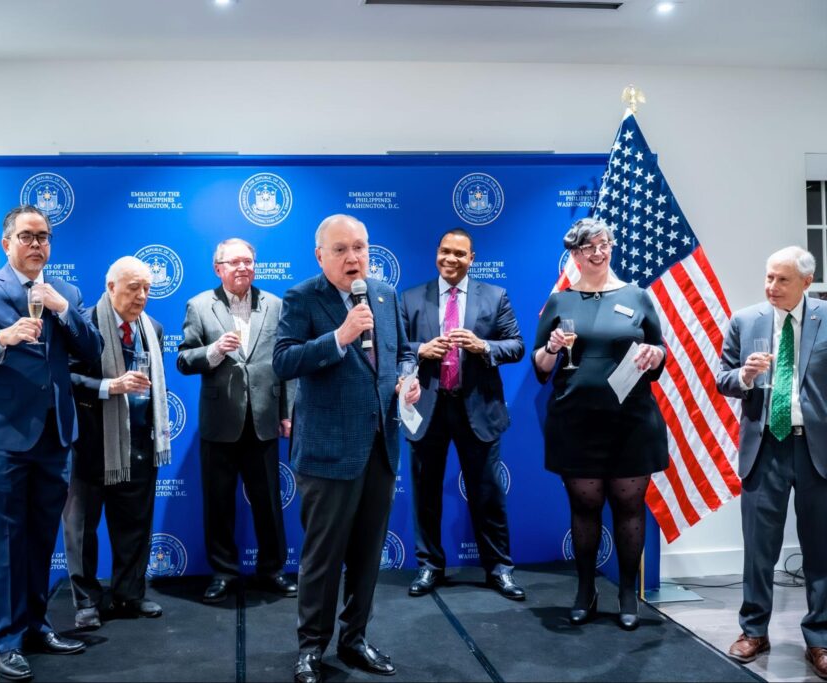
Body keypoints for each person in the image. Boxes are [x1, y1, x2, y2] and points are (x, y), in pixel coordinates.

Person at [0, 205, 102, 681]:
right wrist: (3, 337)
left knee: (40, 539)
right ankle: (7, 640)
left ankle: (37, 625)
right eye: (29, 236)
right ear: (8, 242)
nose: (38, 245)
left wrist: (62, 310)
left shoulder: (66, 293)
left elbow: (92, 352)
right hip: (4, 435)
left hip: (55, 433)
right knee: (7, 540)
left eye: (45, 237)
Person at [274, 214, 420, 683]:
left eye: (360, 247)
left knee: (366, 554)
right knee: (322, 557)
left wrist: (407, 377)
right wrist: (339, 337)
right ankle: (310, 649)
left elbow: (403, 350)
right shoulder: (302, 297)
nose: (353, 257)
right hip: (327, 452)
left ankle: (354, 639)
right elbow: (283, 361)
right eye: (341, 249)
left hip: (380, 446)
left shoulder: (383, 293)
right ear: (321, 255)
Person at [532, 217, 667, 632]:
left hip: (631, 422)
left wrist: (655, 355)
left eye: (603, 243)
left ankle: (628, 593)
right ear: (573, 254)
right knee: (584, 509)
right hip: (576, 423)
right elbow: (540, 368)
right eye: (587, 247)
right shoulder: (560, 302)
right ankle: (585, 590)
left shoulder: (638, 296)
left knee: (629, 509)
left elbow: (659, 351)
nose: (597, 252)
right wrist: (552, 349)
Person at [716, 246, 827, 678]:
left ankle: (819, 639)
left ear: (806, 281)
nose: (772, 287)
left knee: (820, 549)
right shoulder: (747, 320)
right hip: (765, 448)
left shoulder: (823, 317)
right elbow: (722, 376)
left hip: (816, 448)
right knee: (759, 549)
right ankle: (754, 630)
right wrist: (744, 376)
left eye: (782, 280)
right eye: (768, 278)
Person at [399, 228, 525, 600]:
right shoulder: (409, 298)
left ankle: (499, 569)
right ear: (436, 253)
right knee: (425, 493)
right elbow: (395, 348)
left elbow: (516, 345)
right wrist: (422, 348)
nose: (450, 259)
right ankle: (429, 566)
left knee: (487, 493)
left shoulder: (495, 296)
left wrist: (483, 345)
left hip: (478, 410)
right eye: (445, 251)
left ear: (472, 258)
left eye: (459, 254)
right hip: (427, 410)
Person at [177, 238, 297, 604]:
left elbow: (287, 363)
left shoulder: (276, 305)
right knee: (218, 502)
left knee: (269, 502)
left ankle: (272, 568)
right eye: (234, 262)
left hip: (263, 420)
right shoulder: (199, 305)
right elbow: (184, 360)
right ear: (219, 268)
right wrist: (213, 351)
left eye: (248, 261)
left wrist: (287, 413)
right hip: (220, 421)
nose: (243, 267)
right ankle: (224, 572)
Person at [62, 256, 172, 630]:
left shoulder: (152, 328)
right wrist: (110, 387)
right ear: (111, 288)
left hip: (139, 442)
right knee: (82, 529)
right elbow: (66, 379)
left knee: (135, 527)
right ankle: (87, 602)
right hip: (91, 445)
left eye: (147, 289)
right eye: (133, 288)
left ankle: (129, 594)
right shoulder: (84, 324)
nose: (141, 296)